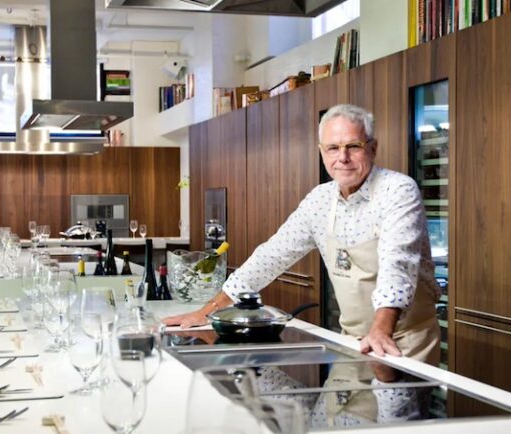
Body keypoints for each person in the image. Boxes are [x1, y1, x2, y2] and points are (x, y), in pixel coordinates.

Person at [165, 104, 441, 366]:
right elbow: (271, 256)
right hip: (351, 338)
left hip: (402, 340)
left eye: (353, 147)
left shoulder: (398, 190)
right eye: (333, 148)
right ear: (322, 152)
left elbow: (398, 265)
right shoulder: (319, 200)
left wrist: (381, 330)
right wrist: (207, 311)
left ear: (373, 148)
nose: (342, 158)